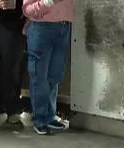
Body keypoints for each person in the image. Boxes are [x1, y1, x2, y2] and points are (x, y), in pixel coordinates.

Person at [22, 0, 72, 135]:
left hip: (64, 27)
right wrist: (48, 2)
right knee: (39, 75)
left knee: (55, 75)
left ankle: (49, 116)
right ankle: (40, 119)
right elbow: (27, 9)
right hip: (41, 27)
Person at [0, 0, 27, 128]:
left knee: (16, 67)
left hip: (21, 24)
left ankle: (11, 107)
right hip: (2, 24)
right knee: (10, 67)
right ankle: (12, 109)